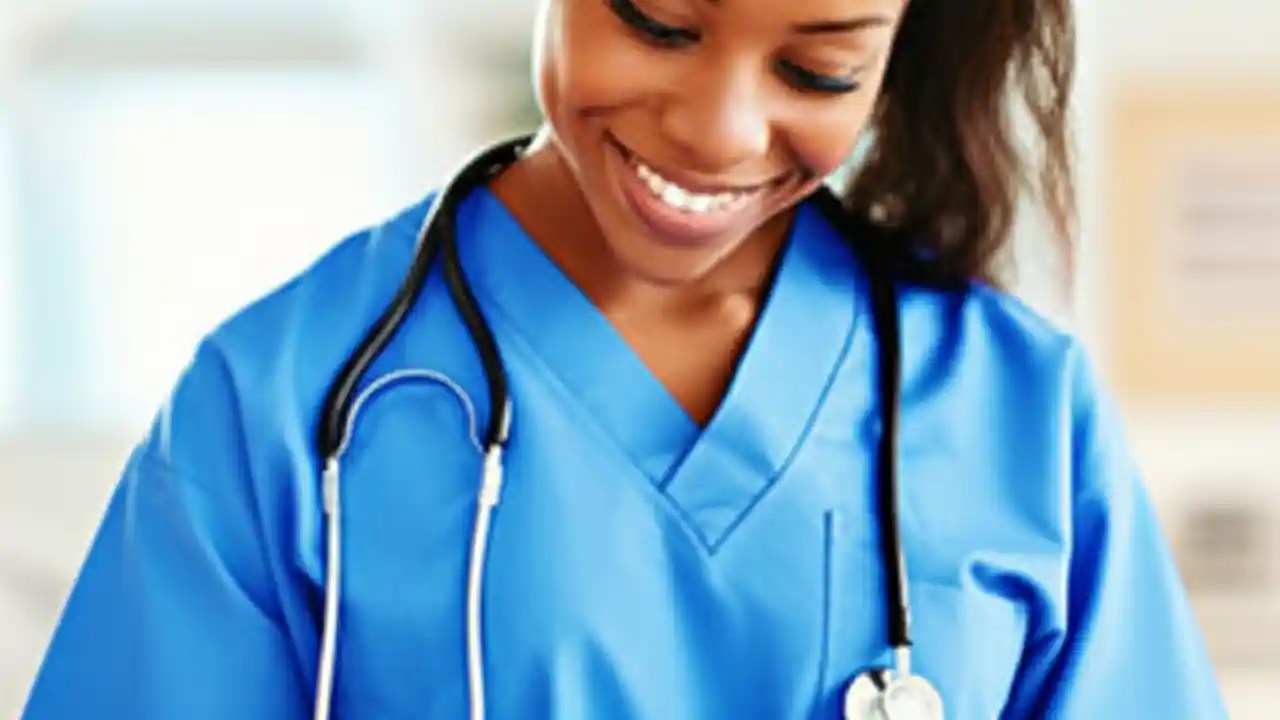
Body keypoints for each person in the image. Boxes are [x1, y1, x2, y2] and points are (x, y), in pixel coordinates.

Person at [25, 0, 1227, 718]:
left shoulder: (1016, 413)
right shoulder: (280, 409)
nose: (715, 129)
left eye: (816, 68)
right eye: (656, 19)